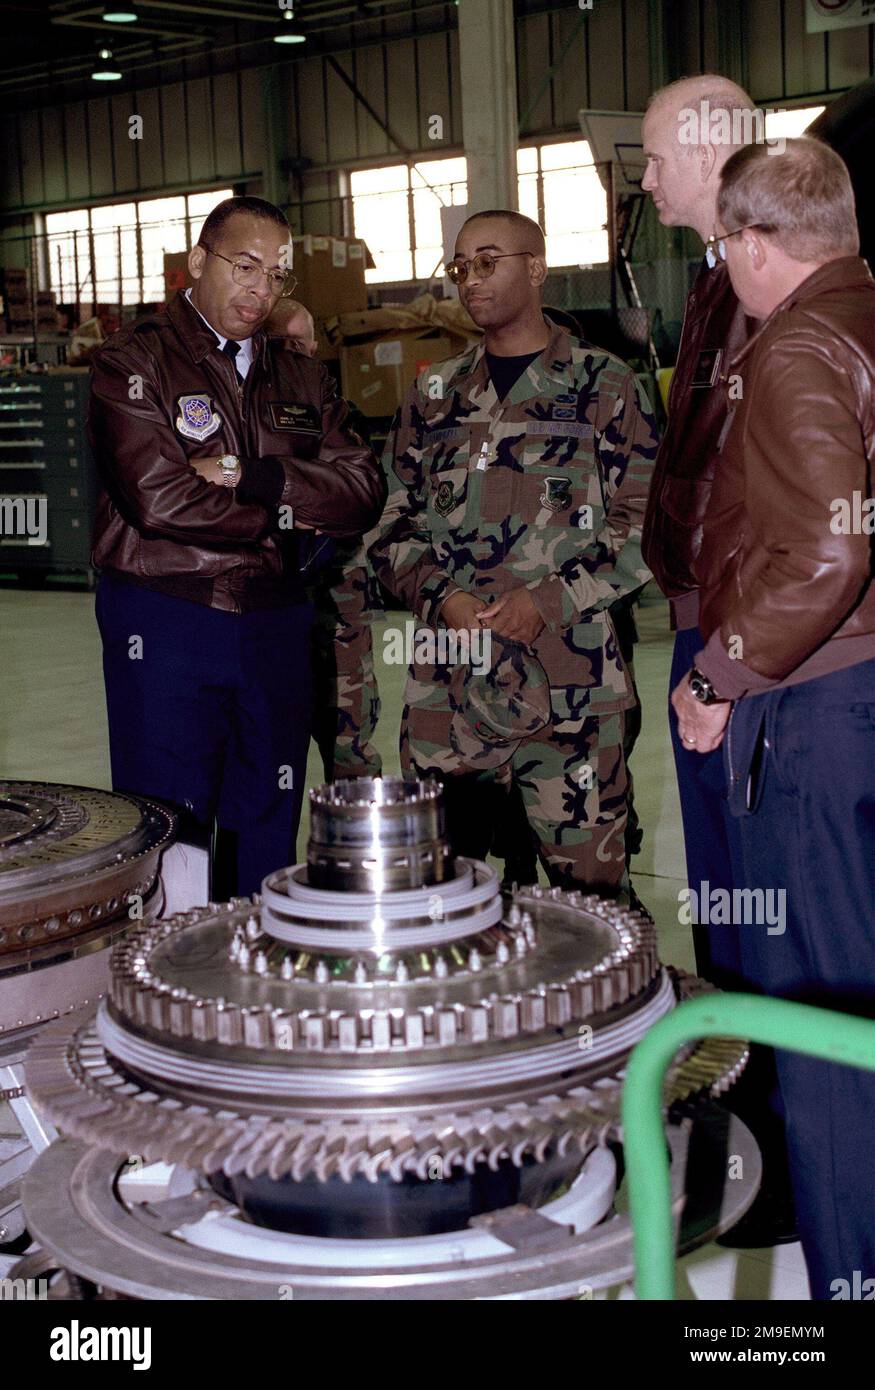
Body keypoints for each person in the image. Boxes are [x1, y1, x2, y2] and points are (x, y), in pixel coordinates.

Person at [683, 136, 875, 1300]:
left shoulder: (798, 345)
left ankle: (849, 1283)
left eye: (721, 252)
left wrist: (718, 675)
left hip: (815, 714)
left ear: (752, 244)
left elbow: (824, 551)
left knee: (821, 1027)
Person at [89, 195, 385, 897]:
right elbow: (158, 499)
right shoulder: (132, 363)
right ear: (197, 261)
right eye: (244, 265)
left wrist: (248, 477)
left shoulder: (301, 375)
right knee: (169, 823)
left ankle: (258, 975)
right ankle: (175, 985)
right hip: (168, 615)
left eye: (277, 275)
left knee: (268, 813)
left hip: (276, 620)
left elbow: (363, 490)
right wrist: (291, 514)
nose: (260, 288)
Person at [370, 209, 658, 894]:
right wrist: (445, 598)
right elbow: (388, 526)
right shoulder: (433, 392)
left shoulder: (602, 384)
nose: (470, 278)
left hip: (571, 684)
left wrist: (550, 599)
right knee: (441, 895)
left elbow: (647, 519)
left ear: (535, 267)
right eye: (459, 265)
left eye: (489, 259)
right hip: (449, 689)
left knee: (589, 895)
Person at [640, 76, 798, 1249]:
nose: (645, 181)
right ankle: (748, 1127)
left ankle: (792, 1149)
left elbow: (778, 503)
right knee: (726, 903)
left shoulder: (768, 288)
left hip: (749, 650)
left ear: (709, 151)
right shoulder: (708, 287)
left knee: (775, 904)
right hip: (706, 629)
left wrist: (726, 658)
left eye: (653, 158)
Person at [265, 296, 383, 781]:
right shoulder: (250, 419)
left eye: (300, 342)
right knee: (272, 750)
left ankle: (357, 853)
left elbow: (356, 498)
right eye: (280, 343)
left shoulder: (338, 414)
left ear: (315, 345)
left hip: (338, 605)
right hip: (272, 600)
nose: (293, 352)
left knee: (349, 748)